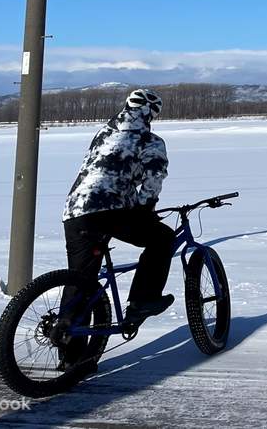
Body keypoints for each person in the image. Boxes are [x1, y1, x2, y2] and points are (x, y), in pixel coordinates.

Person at [61, 88, 175, 367]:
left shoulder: (103, 132)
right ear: (151, 113)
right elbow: (152, 181)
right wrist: (145, 210)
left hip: (75, 210)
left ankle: (70, 354)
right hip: (110, 210)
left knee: (82, 278)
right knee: (162, 238)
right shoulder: (150, 139)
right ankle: (142, 301)